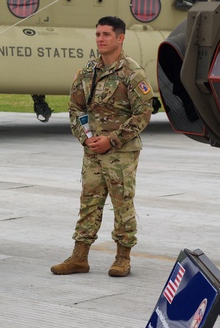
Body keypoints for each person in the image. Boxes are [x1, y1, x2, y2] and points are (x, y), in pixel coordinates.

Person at [50, 15, 153, 277]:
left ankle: (122, 258)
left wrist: (113, 139)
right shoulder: (87, 72)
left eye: (106, 34)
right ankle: (79, 257)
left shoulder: (132, 73)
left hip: (121, 152)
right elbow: (75, 108)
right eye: (98, 34)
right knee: (89, 202)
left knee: (122, 204)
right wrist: (85, 138)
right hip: (93, 150)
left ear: (120, 38)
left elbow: (143, 113)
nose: (100, 39)